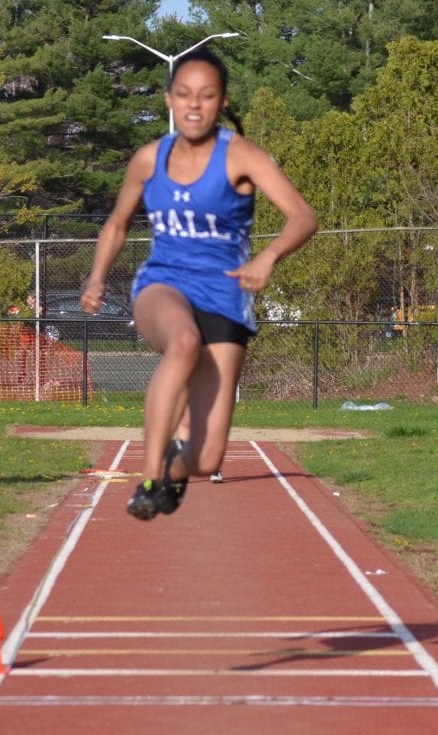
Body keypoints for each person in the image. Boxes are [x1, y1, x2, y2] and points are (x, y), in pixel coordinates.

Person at [82, 48, 317, 519]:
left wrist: (269, 256)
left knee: (208, 458)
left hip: (226, 297)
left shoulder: (241, 156)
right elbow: (117, 224)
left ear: (222, 101)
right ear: (169, 99)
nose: (194, 105)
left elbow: (303, 216)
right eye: (185, 94)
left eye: (206, 96)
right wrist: (96, 277)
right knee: (183, 341)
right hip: (163, 285)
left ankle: (174, 465)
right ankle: (149, 478)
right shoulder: (149, 159)